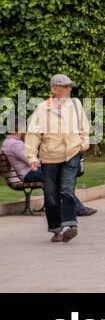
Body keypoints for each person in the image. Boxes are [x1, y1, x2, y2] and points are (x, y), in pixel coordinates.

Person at [24, 74, 90, 242]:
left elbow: (84, 127)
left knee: (67, 190)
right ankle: (56, 229)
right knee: (51, 197)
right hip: (50, 156)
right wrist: (31, 156)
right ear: (54, 88)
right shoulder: (42, 108)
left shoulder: (75, 104)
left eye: (69, 86)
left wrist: (83, 144)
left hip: (72, 154)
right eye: (65, 86)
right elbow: (33, 134)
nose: (69, 89)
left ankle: (69, 226)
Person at [2, 130, 94, 217]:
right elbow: (30, 160)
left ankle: (74, 208)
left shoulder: (10, 142)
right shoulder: (15, 144)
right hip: (29, 174)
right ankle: (77, 208)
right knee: (62, 179)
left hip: (30, 172)